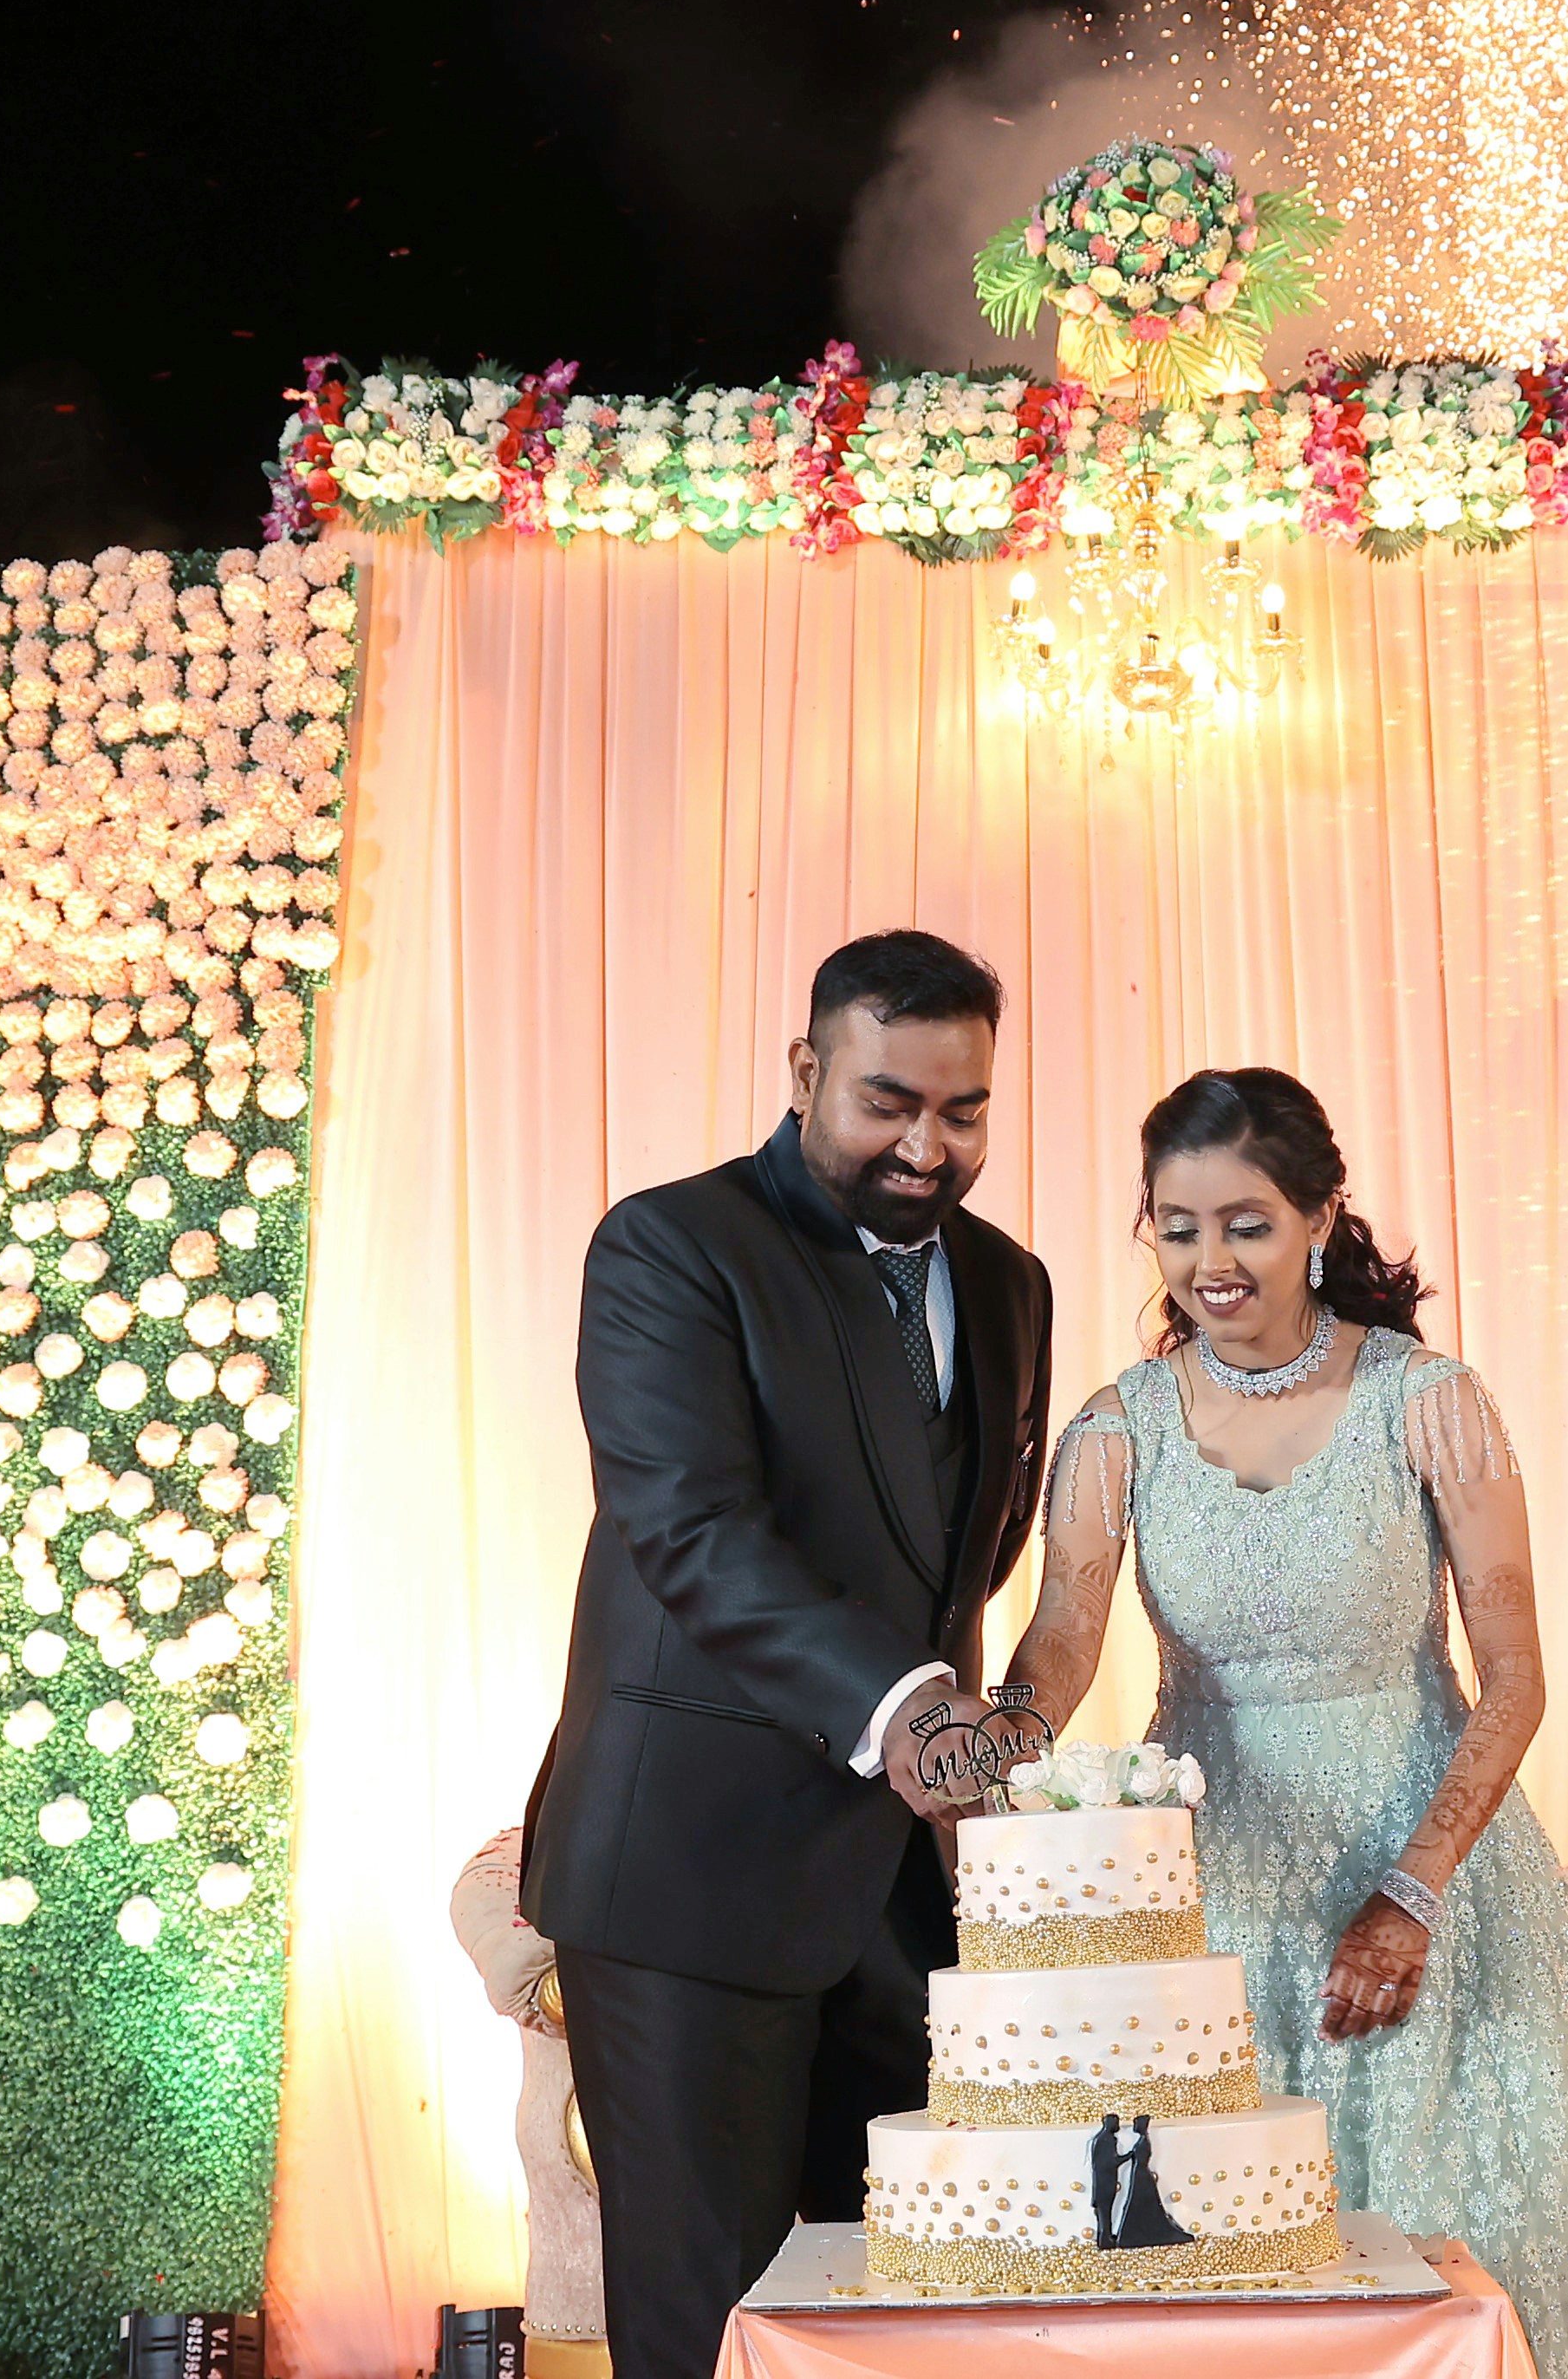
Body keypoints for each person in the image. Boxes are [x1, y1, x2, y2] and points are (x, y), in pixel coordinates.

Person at [1001, 1067, 1568, 2379]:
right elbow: (1064, 1636)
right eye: (1178, 1225)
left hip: (1421, 1869)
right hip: (1206, 1889)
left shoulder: (1428, 1401)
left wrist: (1411, 1892)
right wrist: (1006, 1741)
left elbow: (1515, 1678)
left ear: (1320, 1218)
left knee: (1453, 2268)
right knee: (1211, 2272)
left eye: (1247, 1223)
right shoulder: (1115, 1427)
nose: (1210, 1261)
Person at [521, 931, 1057, 2379]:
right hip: (688, 1876)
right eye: (887, 1101)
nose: (926, 1146)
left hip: (899, 1890)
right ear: (806, 1072)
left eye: (964, 1111)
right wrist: (904, 1713)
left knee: (910, 2318)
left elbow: (971, 1551)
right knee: (710, 2332)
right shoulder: (670, 1245)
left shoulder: (1011, 1283)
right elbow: (688, 1526)